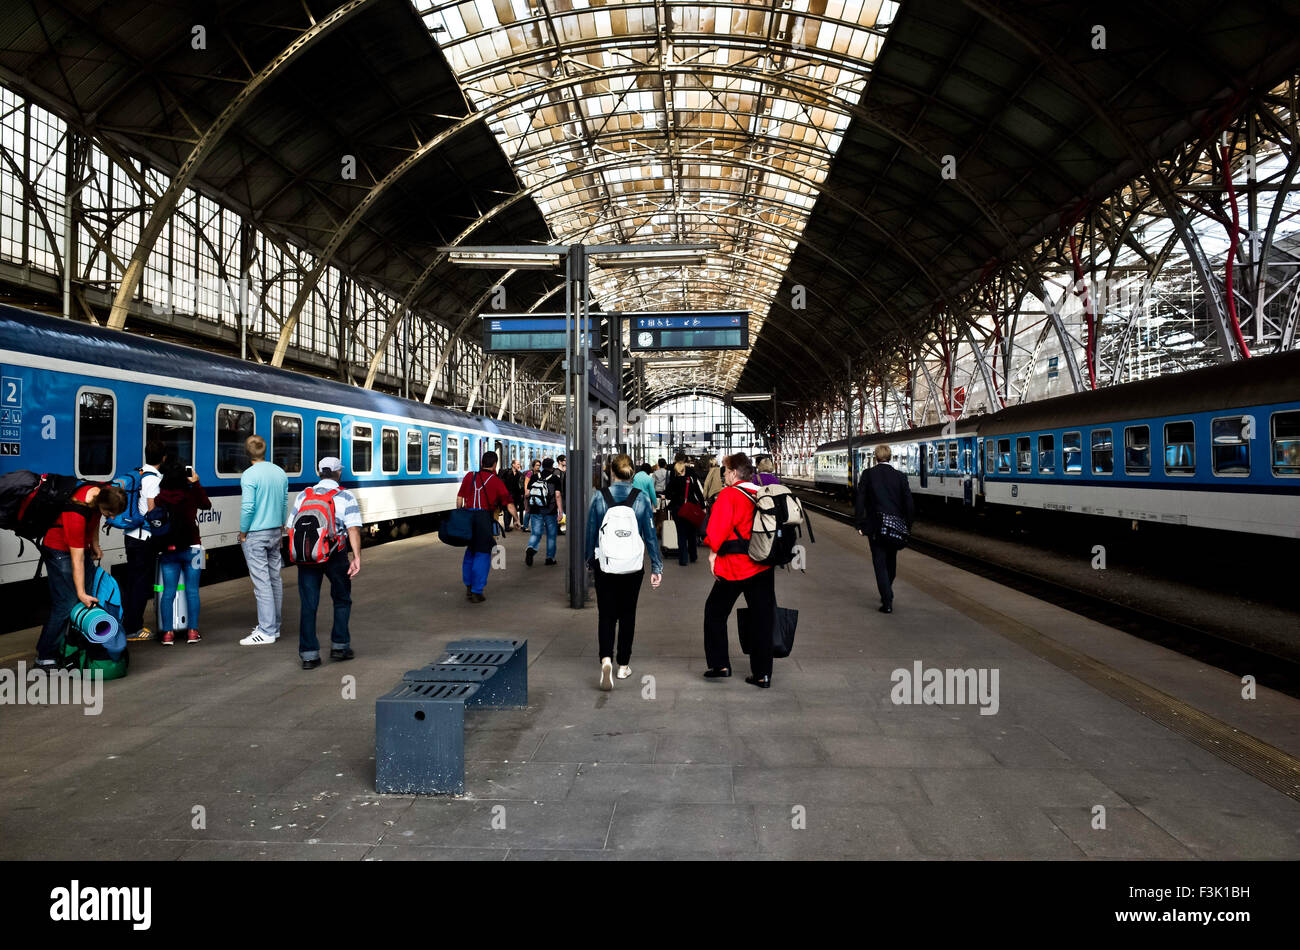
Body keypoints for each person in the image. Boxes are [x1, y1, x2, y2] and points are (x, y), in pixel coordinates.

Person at [586, 454, 662, 690]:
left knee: (606, 614)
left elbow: (591, 533)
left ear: (611, 472)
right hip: (633, 566)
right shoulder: (640, 499)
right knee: (628, 614)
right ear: (631, 473)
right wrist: (656, 566)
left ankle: (605, 658)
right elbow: (650, 535)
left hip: (606, 564)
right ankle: (623, 666)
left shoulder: (599, 497)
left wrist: (590, 561)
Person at [34, 482, 127, 669]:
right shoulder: (75, 513)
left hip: (78, 548)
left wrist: (95, 544)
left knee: (88, 593)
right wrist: (81, 593)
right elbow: (76, 561)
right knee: (66, 603)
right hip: (59, 550)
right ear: (101, 504)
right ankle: (45, 656)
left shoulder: (102, 493)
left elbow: (95, 521)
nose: (113, 517)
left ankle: (70, 644)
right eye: (110, 514)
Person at [701, 453, 775, 688]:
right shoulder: (760, 492)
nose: (723, 475)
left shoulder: (730, 494)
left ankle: (720, 664)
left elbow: (716, 532)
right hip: (762, 565)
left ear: (734, 473)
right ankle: (762, 674)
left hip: (735, 568)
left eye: (725, 471)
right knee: (762, 618)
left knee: (714, 612)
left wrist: (713, 555)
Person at [289, 457, 363, 668]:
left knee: (308, 603)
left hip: (308, 555)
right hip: (335, 554)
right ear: (339, 473)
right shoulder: (346, 495)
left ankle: (309, 655)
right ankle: (340, 646)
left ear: (318, 472)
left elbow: (290, 527)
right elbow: (353, 529)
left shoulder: (305, 495)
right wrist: (356, 557)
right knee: (341, 599)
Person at [238, 434, 289, 646]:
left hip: (256, 534)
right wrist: (282, 527)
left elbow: (248, 507)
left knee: (262, 583)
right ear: (264, 451)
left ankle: (266, 631)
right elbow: (284, 502)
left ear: (247, 453)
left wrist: (242, 531)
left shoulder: (249, 475)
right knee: (275, 579)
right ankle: (273, 627)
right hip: (275, 531)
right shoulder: (279, 472)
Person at [154, 460, 212, 645]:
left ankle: (167, 634)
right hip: (193, 549)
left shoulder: (160, 498)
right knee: (193, 591)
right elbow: (206, 504)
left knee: (168, 592)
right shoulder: (191, 494)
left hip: (168, 550)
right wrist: (196, 483)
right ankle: (193, 632)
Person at [854, 444, 915, 614]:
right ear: (890, 457)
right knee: (891, 561)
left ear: (875, 457)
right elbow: (909, 504)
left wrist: (860, 523)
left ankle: (887, 600)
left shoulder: (868, 475)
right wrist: (908, 525)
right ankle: (887, 590)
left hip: (875, 527)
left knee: (879, 563)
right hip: (895, 526)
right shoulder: (900, 476)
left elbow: (860, 499)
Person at [458, 450, 517, 601]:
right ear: (495, 464)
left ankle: (469, 586)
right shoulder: (496, 481)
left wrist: (460, 515)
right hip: (484, 519)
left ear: (482, 463)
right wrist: (516, 519)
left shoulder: (470, 476)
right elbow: (509, 504)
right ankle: (477, 591)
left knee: (470, 551)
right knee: (482, 554)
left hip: (468, 518)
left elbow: (459, 498)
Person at [122, 440, 165, 642]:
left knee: (132, 582)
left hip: (131, 535)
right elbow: (151, 511)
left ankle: (127, 623)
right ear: (163, 458)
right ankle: (134, 628)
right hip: (144, 538)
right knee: (141, 584)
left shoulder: (139, 473)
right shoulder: (153, 480)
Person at [525, 457, 564, 567]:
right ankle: (550, 558)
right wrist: (560, 512)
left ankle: (531, 548)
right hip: (550, 511)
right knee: (551, 535)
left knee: (536, 532)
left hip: (535, 509)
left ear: (542, 466)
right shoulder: (555, 479)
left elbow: (527, 494)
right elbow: (557, 495)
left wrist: (527, 507)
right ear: (552, 466)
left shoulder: (534, 477)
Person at [665, 453, 700, 566]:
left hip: (677, 508)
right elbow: (697, 490)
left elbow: (668, 494)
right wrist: (703, 506)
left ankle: (683, 559)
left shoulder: (672, 475)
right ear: (685, 460)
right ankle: (693, 555)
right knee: (692, 532)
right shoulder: (690, 473)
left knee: (681, 533)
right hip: (690, 507)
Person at [503, 458, 525, 533]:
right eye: (518, 464)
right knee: (506, 511)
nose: (519, 465)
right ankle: (506, 526)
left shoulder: (520, 474)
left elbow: (521, 485)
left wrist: (522, 494)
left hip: (516, 495)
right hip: (507, 494)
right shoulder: (506, 473)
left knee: (514, 509)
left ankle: (514, 524)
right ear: (513, 465)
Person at [522, 459, 542, 530]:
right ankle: (525, 526)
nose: (538, 467)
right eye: (537, 465)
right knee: (528, 510)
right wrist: (526, 492)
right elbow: (526, 483)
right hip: (529, 493)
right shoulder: (530, 473)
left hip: (536, 494)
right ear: (533, 465)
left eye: (539, 465)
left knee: (534, 510)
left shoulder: (540, 473)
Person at [555, 455, 568, 535]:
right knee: (559, 511)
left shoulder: (563, 472)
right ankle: (557, 528)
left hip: (563, 494)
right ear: (560, 461)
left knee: (561, 511)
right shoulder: (557, 472)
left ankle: (558, 527)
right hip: (559, 494)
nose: (566, 462)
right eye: (564, 460)